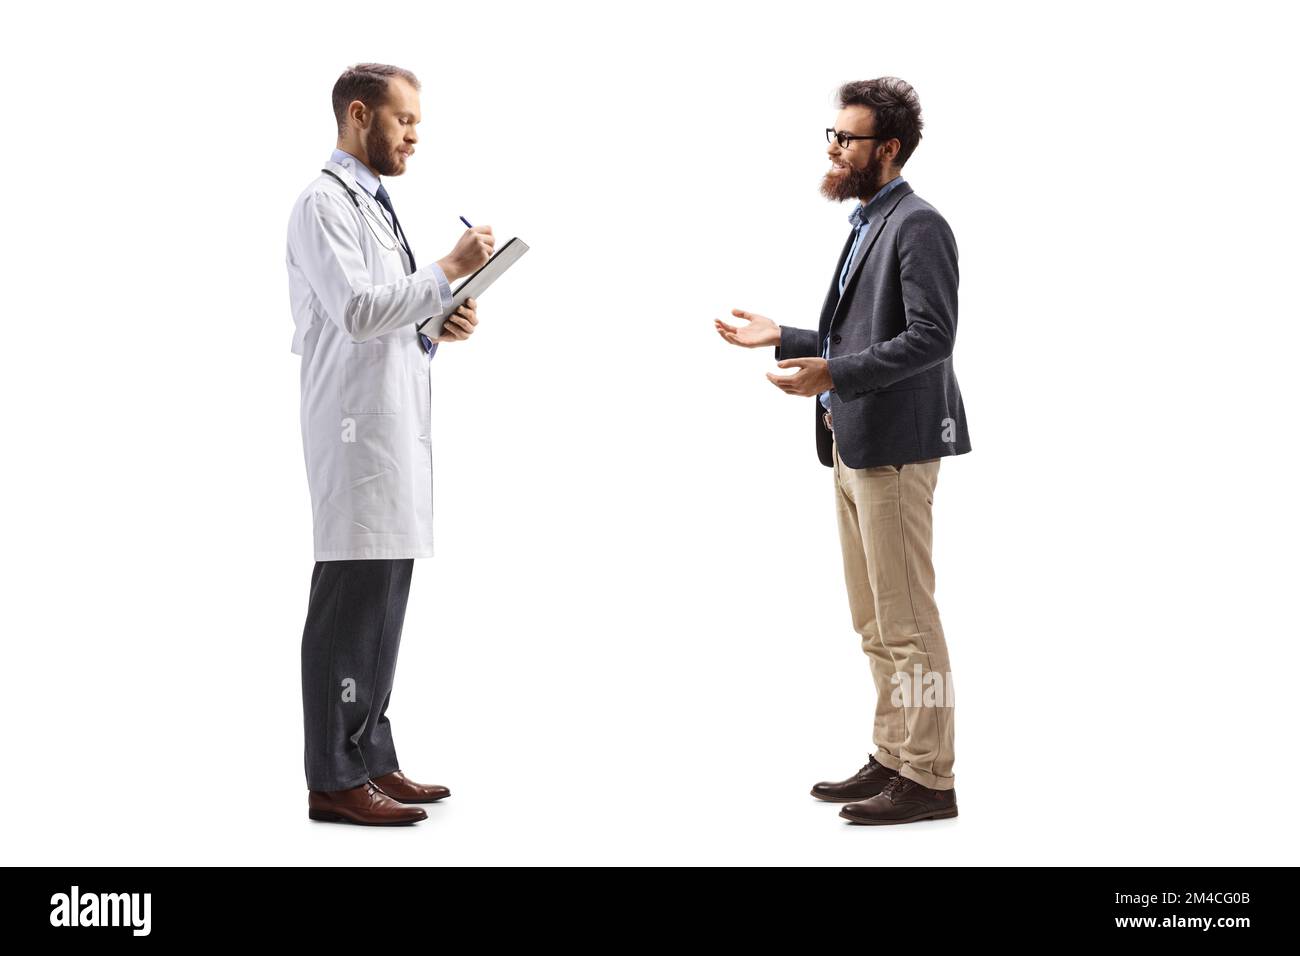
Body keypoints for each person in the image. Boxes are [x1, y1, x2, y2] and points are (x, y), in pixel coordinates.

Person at [715, 77, 970, 825]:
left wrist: (834, 373)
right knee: (875, 620)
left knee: (910, 623)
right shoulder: (869, 220)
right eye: (830, 135)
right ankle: (894, 757)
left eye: (846, 138)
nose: (832, 148)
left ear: (885, 148)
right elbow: (865, 334)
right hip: (854, 444)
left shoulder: (919, 224)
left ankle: (931, 777)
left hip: (895, 447)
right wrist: (792, 339)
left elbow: (932, 337)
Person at [285, 63, 495, 825]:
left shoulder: (374, 203)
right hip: (353, 433)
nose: (414, 136)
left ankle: (372, 756)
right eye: (404, 121)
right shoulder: (321, 204)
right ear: (359, 115)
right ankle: (334, 778)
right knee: (348, 608)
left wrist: (439, 317)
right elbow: (355, 311)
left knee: (384, 600)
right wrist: (448, 268)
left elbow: (392, 317)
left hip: (391, 429)